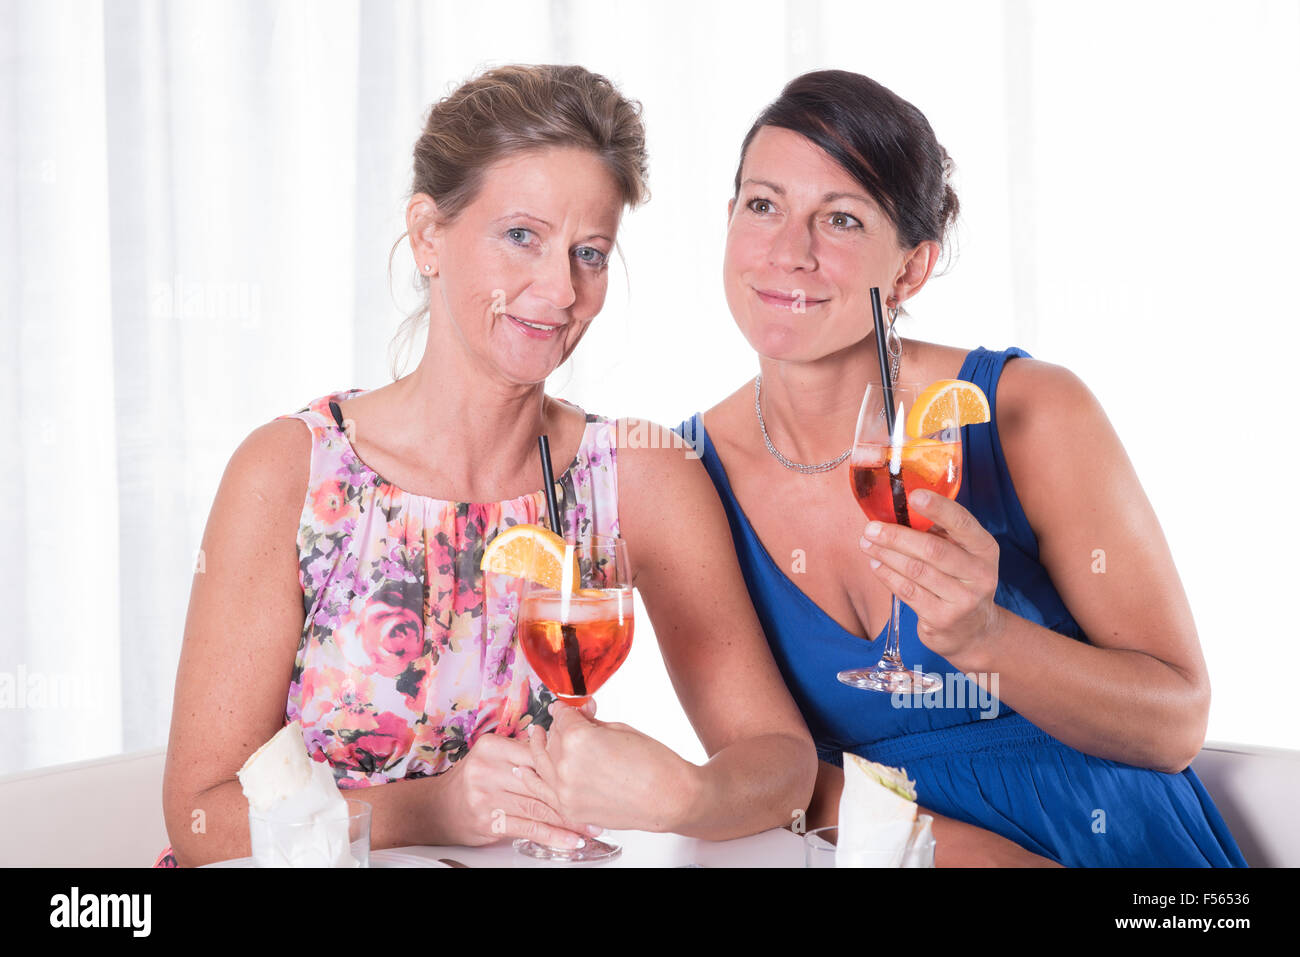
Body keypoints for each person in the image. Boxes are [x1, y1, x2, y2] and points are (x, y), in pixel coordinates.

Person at [157, 64, 815, 867]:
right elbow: (198, 817)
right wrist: (432, 807)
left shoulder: (637, 475)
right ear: (429, 235)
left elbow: (782, 765)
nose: (559, 289)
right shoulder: (295, 473)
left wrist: (686, 794)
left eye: (590, 253)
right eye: (521, 237)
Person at [676, 69, 1246, 867]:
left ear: (909, 271)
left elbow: (1175, 722)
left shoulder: (1025, 410)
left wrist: (986, 638)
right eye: (762, 204)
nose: (787, 252)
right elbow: (780, 785)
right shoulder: (682, 476)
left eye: (839, 219)